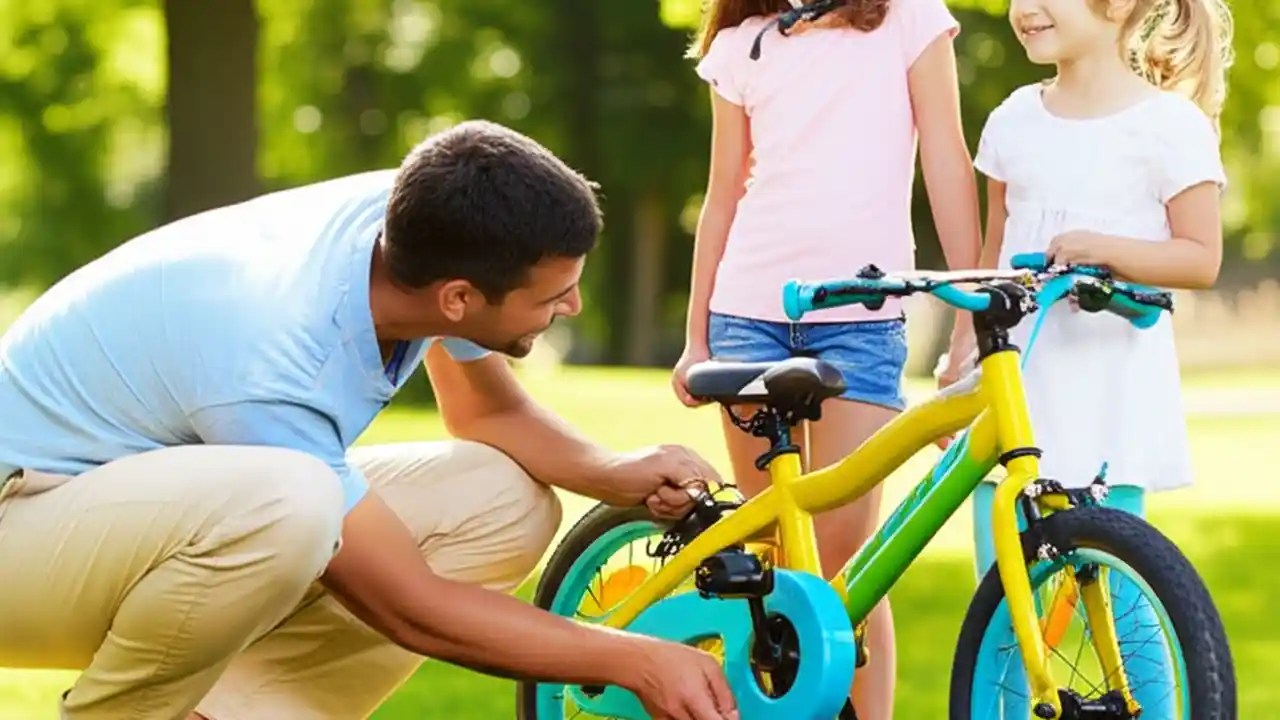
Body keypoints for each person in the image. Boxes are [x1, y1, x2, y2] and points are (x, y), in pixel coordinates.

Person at [0, 120, 740, 720]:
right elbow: (409, 609)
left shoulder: (417, 220)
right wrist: (633, 657)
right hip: (22, 529)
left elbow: (485, 409)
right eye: (554, 297)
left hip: (129, 509)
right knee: (291, 506)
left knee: (499, 500)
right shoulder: (274, 354)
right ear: (457, 299)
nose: (572, 308)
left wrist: (611, 473)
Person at [670, 0, 983, 716]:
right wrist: (695, 338)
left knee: (849, 562)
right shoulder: (744, 41)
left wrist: (969, 309)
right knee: (777, 555)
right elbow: (722, 195)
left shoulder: (909, 17)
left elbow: (945, 153)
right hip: (747, 316)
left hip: (861, 324)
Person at [951, 0, 1233, 714]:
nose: (1026, 10)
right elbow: (991, 258)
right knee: (1005, 621)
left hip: (1111, 404)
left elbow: (1200, 257)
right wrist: (962, 355)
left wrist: (1097, 246)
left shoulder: (1169, 125)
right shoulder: (1013, 119)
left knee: (1132, 610)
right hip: (1017, 397)